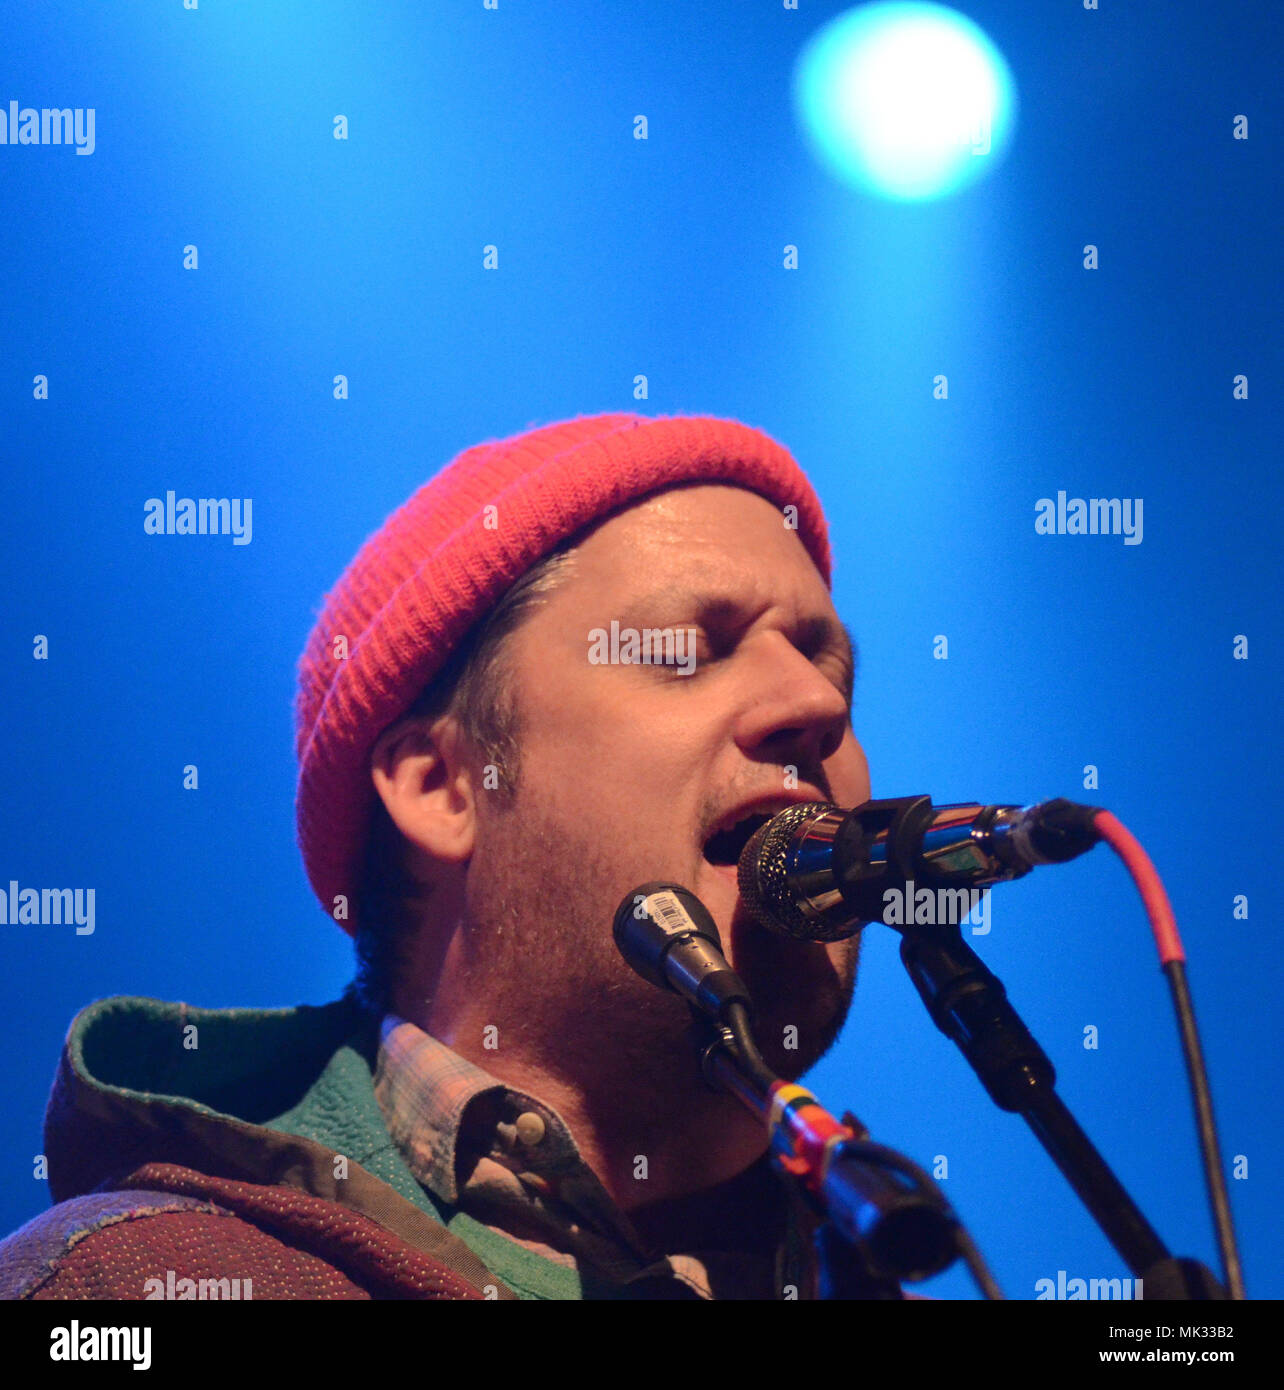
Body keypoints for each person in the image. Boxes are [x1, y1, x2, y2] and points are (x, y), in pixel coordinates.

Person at [0, 412, 875, 1300]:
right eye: (686, 652)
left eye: (828, 666)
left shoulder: (889, 1262)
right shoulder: (135, 1284)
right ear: (441, 786)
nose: (813, 702)